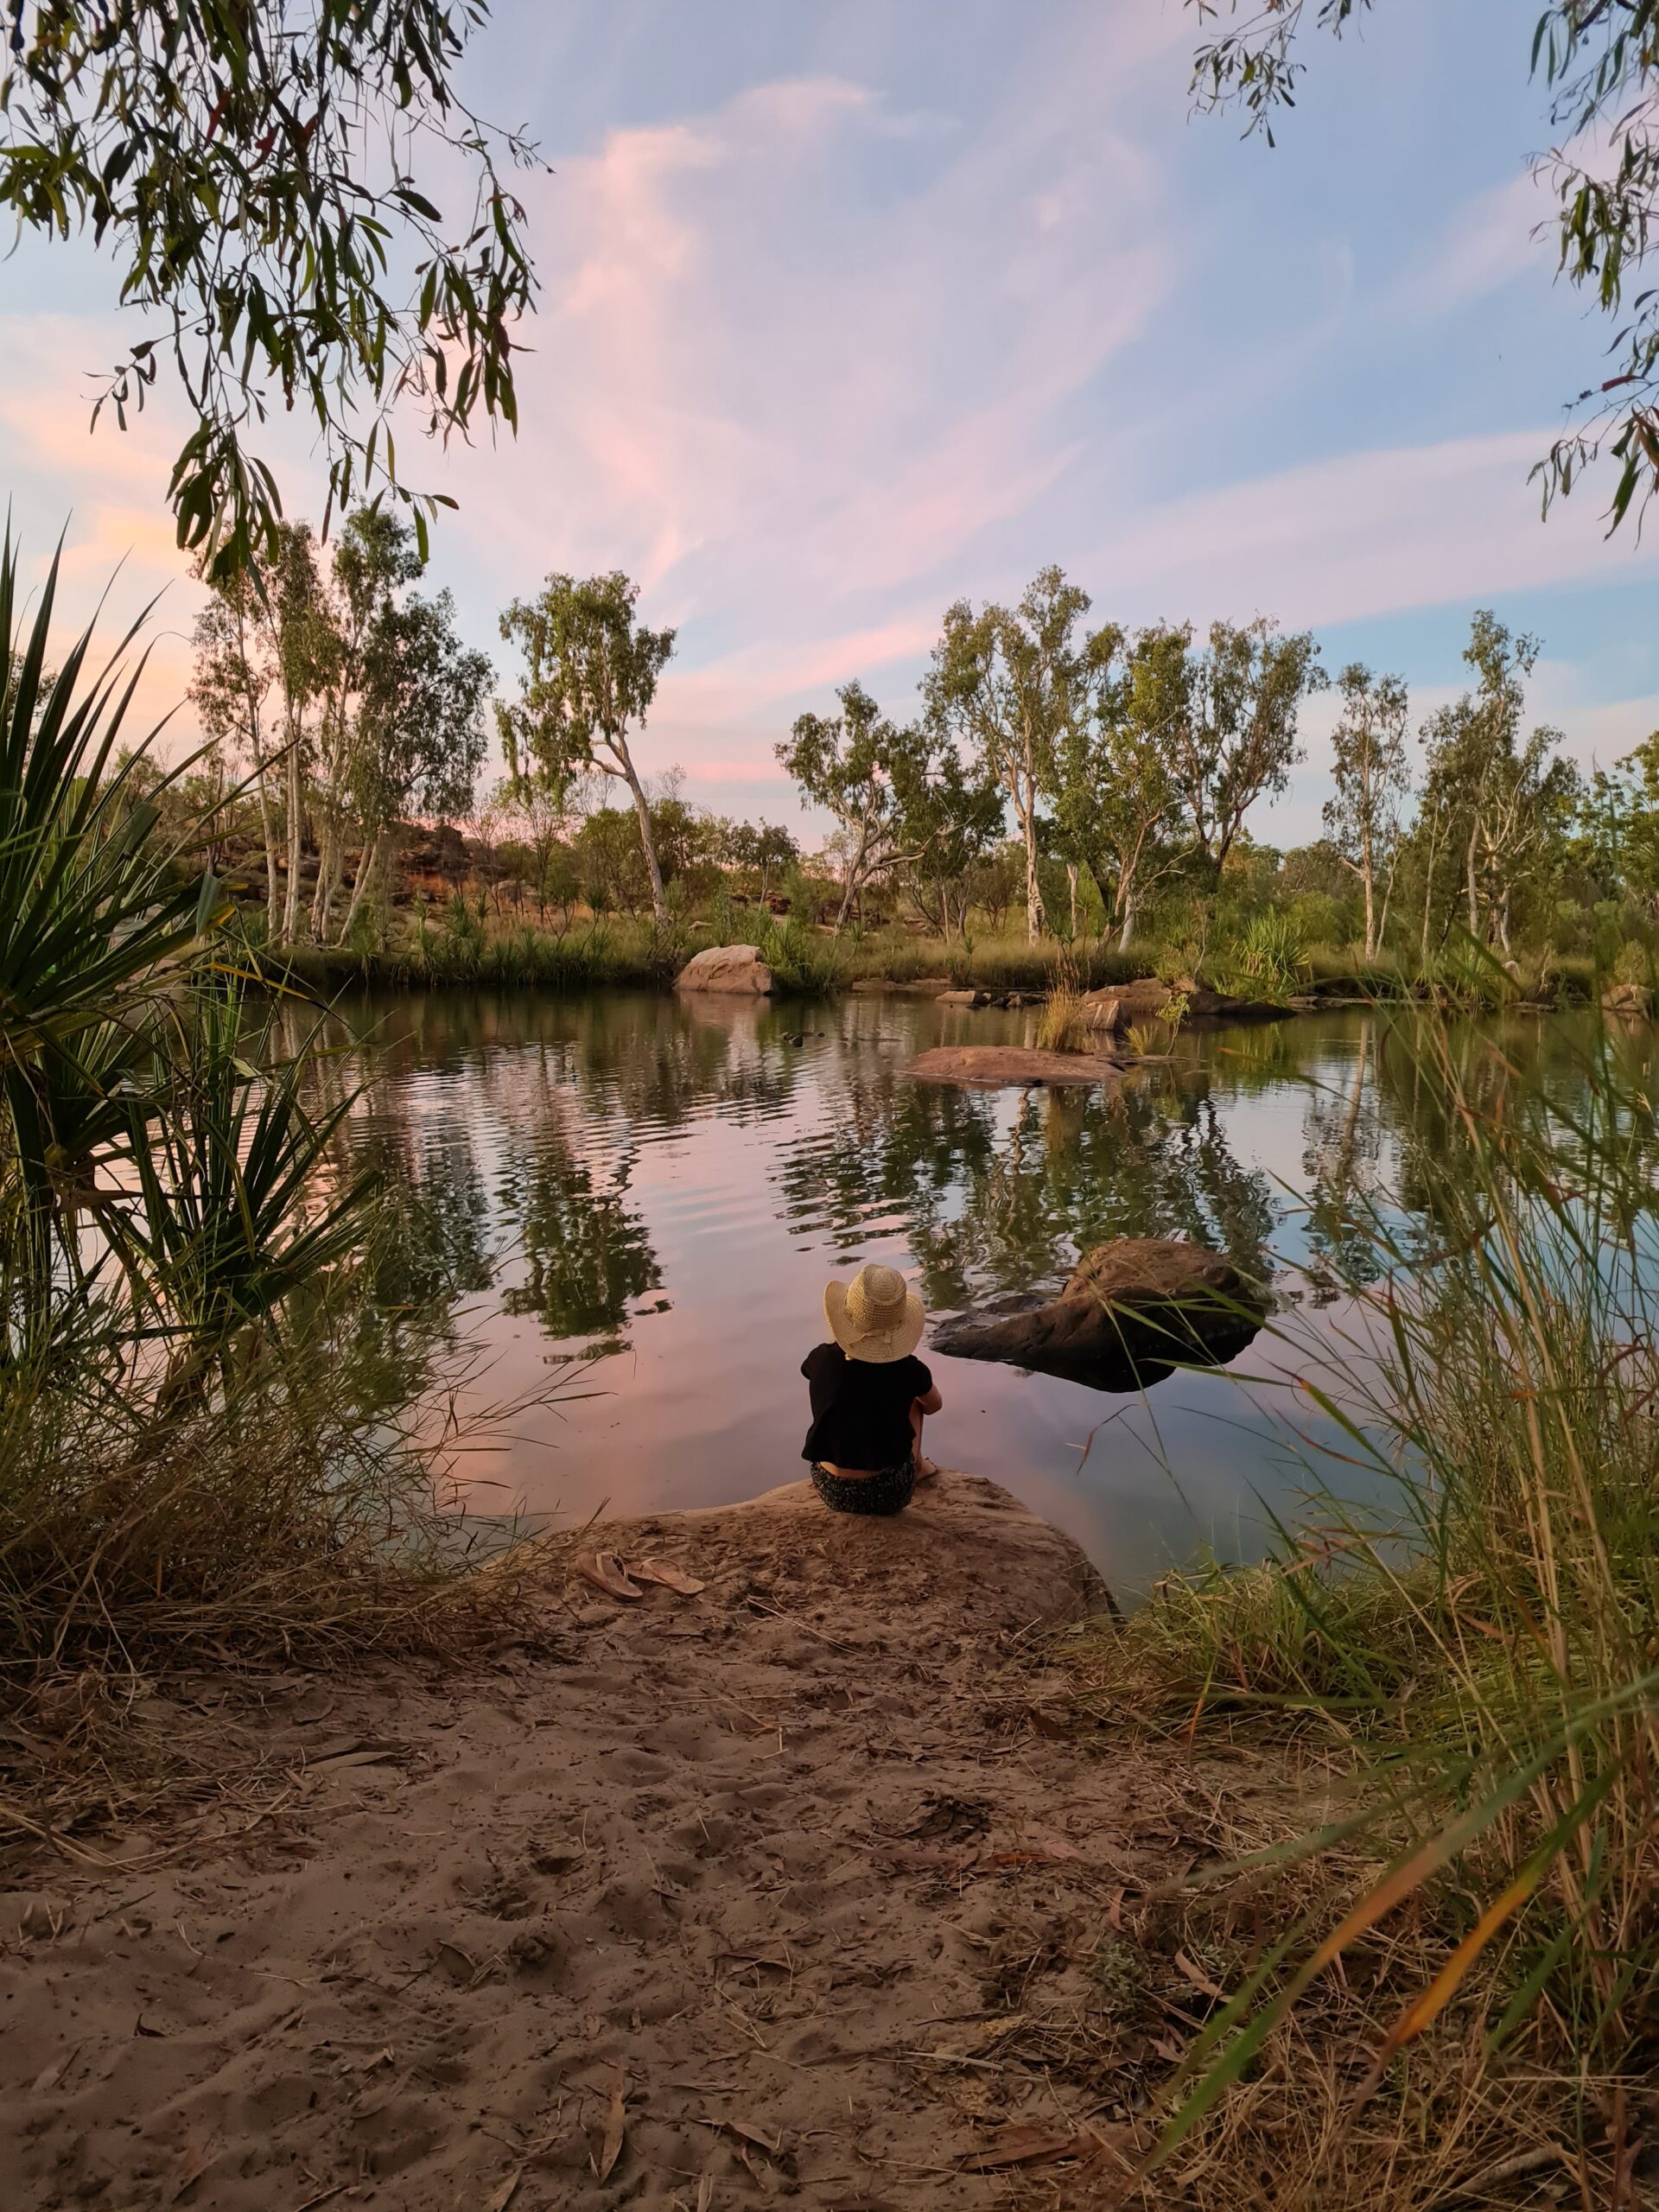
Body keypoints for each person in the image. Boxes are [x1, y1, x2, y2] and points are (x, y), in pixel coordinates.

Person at [801, 1262, 944, 1516]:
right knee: (915, 1400)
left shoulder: (821, 1357)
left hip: (829, 1489)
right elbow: (934, 1405)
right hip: (889, 1493)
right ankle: (919, 1468)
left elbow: (809, 1374)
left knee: (835, 1393)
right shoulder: (909, 1369)